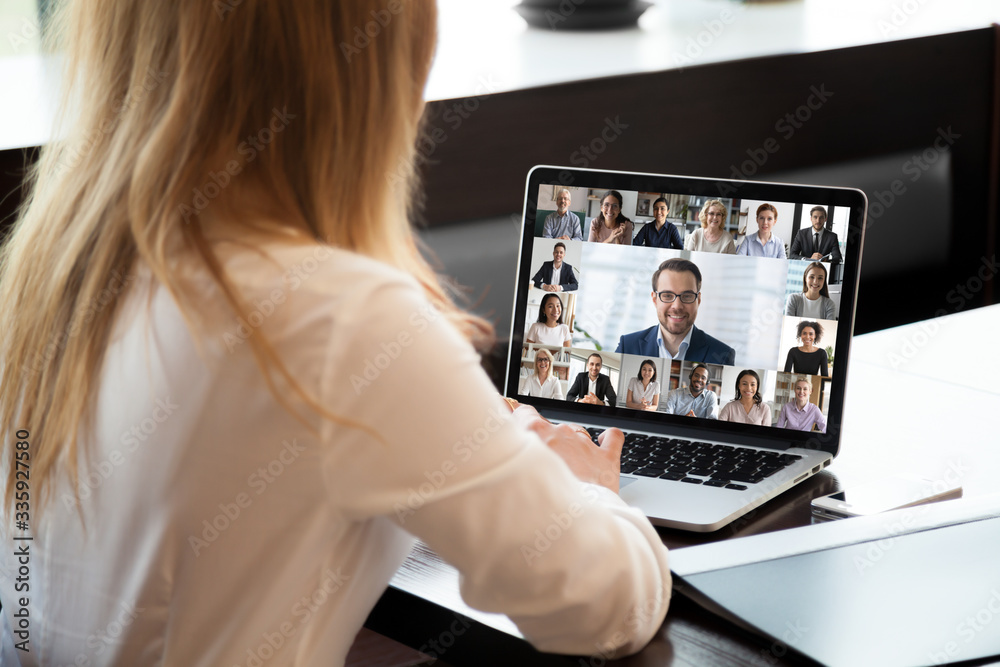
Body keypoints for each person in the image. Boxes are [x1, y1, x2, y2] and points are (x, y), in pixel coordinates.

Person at [0, 2, 671, 663]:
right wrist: (584, 490)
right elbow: (599, 605)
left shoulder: (50, 281)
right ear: (371, 61)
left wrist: (467, 449)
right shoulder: (341, 319)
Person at [616, 258, 735, 364]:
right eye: (667, 295)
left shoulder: (723, 354)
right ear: (654, 299)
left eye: (687, 296)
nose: (677, 306)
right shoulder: (627, 345)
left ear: (698, 300)